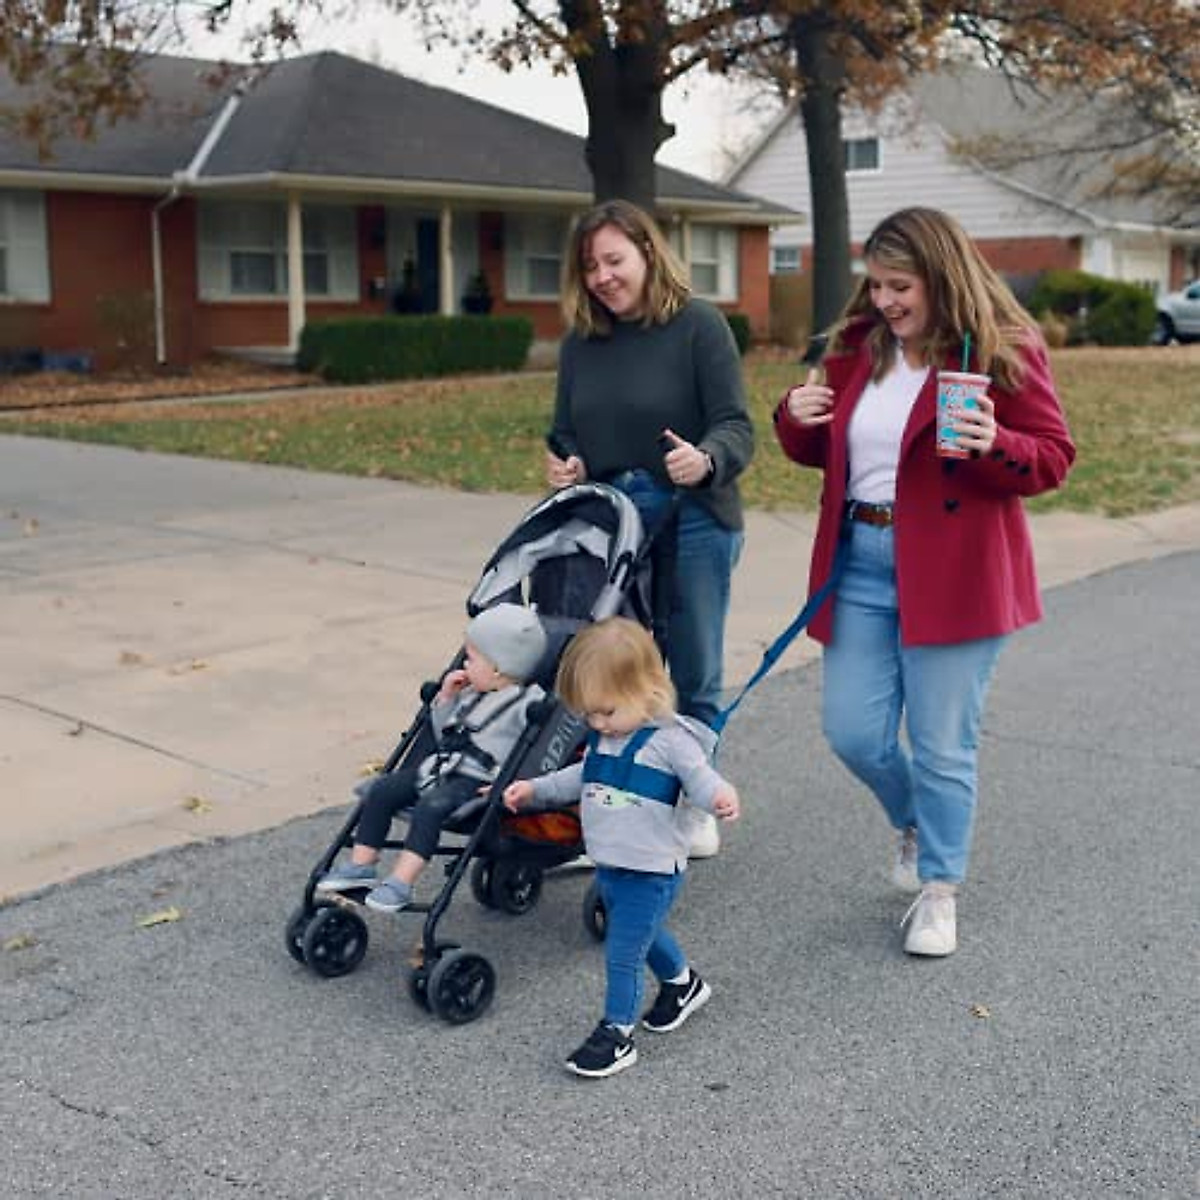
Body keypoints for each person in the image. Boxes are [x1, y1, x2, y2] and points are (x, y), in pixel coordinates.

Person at [774, 207, 1075, 957]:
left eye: (899, 285)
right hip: (862, 560)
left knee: (943, 745)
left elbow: (1053, 456)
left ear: (942, 277)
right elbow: (823, 451)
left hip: (957, 569)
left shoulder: (1001, 349)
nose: (884, 301)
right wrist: (796, 416)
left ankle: (940, 888)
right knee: (853, 732)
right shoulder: (856, 348)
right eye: (875, 285)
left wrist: (994, 442)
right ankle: (913, 820)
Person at [545, 198, 754, 858]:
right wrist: (565, 460)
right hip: (615, 522)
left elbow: (736, 426)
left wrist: (706, 459)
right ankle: (609, 798)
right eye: (591, 266)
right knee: (608, 667)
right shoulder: (582, 342)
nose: (603, 276)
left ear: (646, 253)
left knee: (692, 670)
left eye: (614, 259)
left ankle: (692, 798)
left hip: (693, 518)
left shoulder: (698, 327)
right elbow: (565, 429)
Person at [504, 616, 741, 1078]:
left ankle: (616, 1034)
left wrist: (719, 796)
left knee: (623, 951)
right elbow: (580, 777)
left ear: (647, 689)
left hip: (652, 871)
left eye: (606, 712)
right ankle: (683, 984)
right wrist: (534, 789)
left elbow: (701, 778)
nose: (598, 723)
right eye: (588, 714)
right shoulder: (604, 738)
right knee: (642, 934)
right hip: (611, 865)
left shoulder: (673, 742)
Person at [317, 604, 547, 913]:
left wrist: (508, 784)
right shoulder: (471, 695)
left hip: (475, 781)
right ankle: (362, 865)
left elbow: (535, 750)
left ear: (498, 668)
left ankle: (401, 882)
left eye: (472, 658)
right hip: (439, 768)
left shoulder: (527, 704)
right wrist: (447, 699)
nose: (465, 663)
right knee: (381, 789)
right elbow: (443, 735)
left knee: (431, 807)